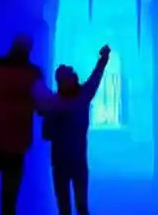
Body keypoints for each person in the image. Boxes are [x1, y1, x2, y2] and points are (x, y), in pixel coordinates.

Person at [0, 34, 51, 215]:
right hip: (16, 142)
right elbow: (44, 104)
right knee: (9, 199)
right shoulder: (33, 74)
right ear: (29, 50)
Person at [41, 45, 111, 215]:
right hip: (77, 160)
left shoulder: (54, 103)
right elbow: (95, 79)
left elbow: (46, 134)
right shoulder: (81, 98)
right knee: (81, 205)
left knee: (64, 207)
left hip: (60, 161)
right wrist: (103, 60)